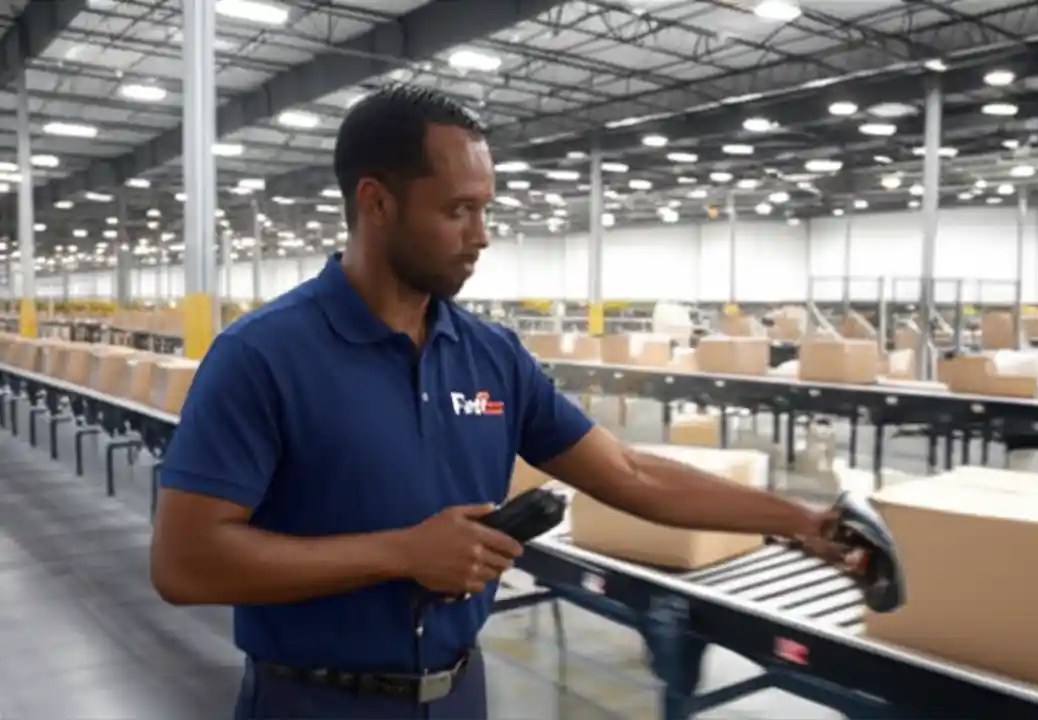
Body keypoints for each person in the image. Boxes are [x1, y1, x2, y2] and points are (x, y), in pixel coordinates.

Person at [150, 84, 867, 720]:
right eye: (458, 210)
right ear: (376, 202)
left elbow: (631, 474)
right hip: (313, 701)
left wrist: (802, 521)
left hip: (461, 693)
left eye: (485, 209)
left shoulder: (492, 355)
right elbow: (184, 563)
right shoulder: (263, 356)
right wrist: (402, 553)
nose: (481, 236)